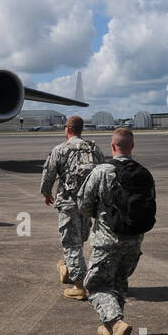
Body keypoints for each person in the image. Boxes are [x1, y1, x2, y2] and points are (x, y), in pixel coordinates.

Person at [77, 128, 154, 335]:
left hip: (107, 241)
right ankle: (110, 330)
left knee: (95, 285)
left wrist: (100, 214)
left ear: (113, 147)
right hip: (134, 241)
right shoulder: (144, 173)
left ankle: (115, 322)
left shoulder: (102, 171)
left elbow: (83, 205)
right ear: (132, 147)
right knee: (119, 282)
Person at [40, 116, 106, 301]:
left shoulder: (60, 149)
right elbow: (104, 171)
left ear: (67, 128)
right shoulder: (93, 148)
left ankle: (79, 286)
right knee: (79, 239)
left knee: (71, 243)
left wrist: (46, 193)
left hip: (68, 203)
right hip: (88, 203)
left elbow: (49, 174)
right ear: (81, 129)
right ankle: (69, 269)